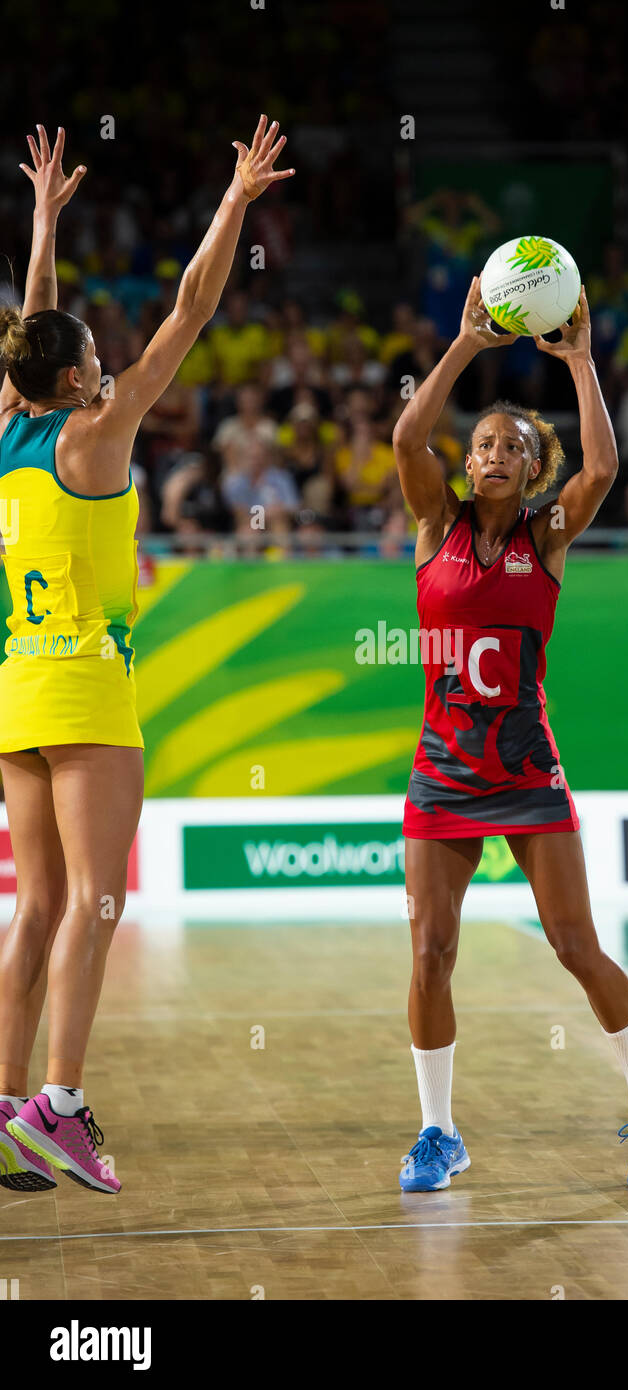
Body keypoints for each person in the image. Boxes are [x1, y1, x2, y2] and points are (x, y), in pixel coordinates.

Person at [0, 118, 293, 1194]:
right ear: (78, 379)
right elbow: (193, 311)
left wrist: (43, 221)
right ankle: (62, 1108)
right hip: (85, 682)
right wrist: (236, 200)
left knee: (33, 908)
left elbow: (33, 328)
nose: (106, 360)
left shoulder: (10, 425)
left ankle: (6, 1109)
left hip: (15, 687)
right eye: (93, 356)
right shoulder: (99, 430)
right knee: (94, 903)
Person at [391, 278, 628, 1193]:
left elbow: (602, 470)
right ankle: (438, 1133)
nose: (491, 453)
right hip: (442, 772)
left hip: (524, 770)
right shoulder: (432, 521)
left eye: (511, 447)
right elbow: (406, 436)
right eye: (481, 443)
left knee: (574, 945)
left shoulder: (546, 533)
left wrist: (581, 360)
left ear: (529, 469)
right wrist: (466, 345)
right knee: (430, 952)